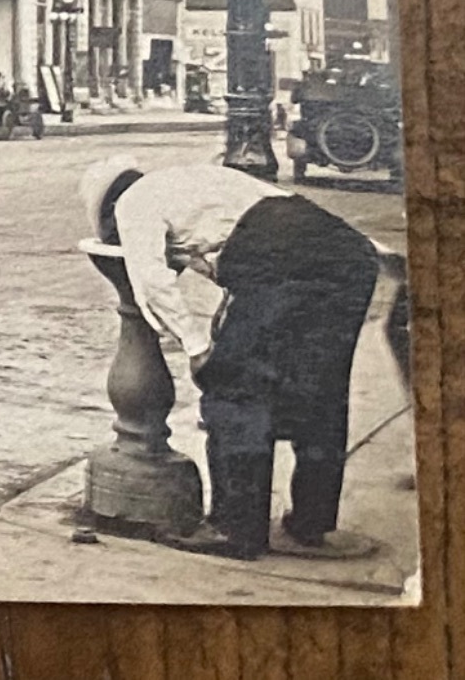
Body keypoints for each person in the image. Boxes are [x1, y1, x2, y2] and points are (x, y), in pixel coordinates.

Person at [80, 154, 383, 561]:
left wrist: (197, 347)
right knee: (320, 394)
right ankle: (310, 527)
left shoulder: (134, 203)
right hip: (348, 256)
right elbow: (244, 236)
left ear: (110, 211)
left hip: (285, 264)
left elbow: (151, 282)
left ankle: (234, 528)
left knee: (230, 389)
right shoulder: (192, 177)